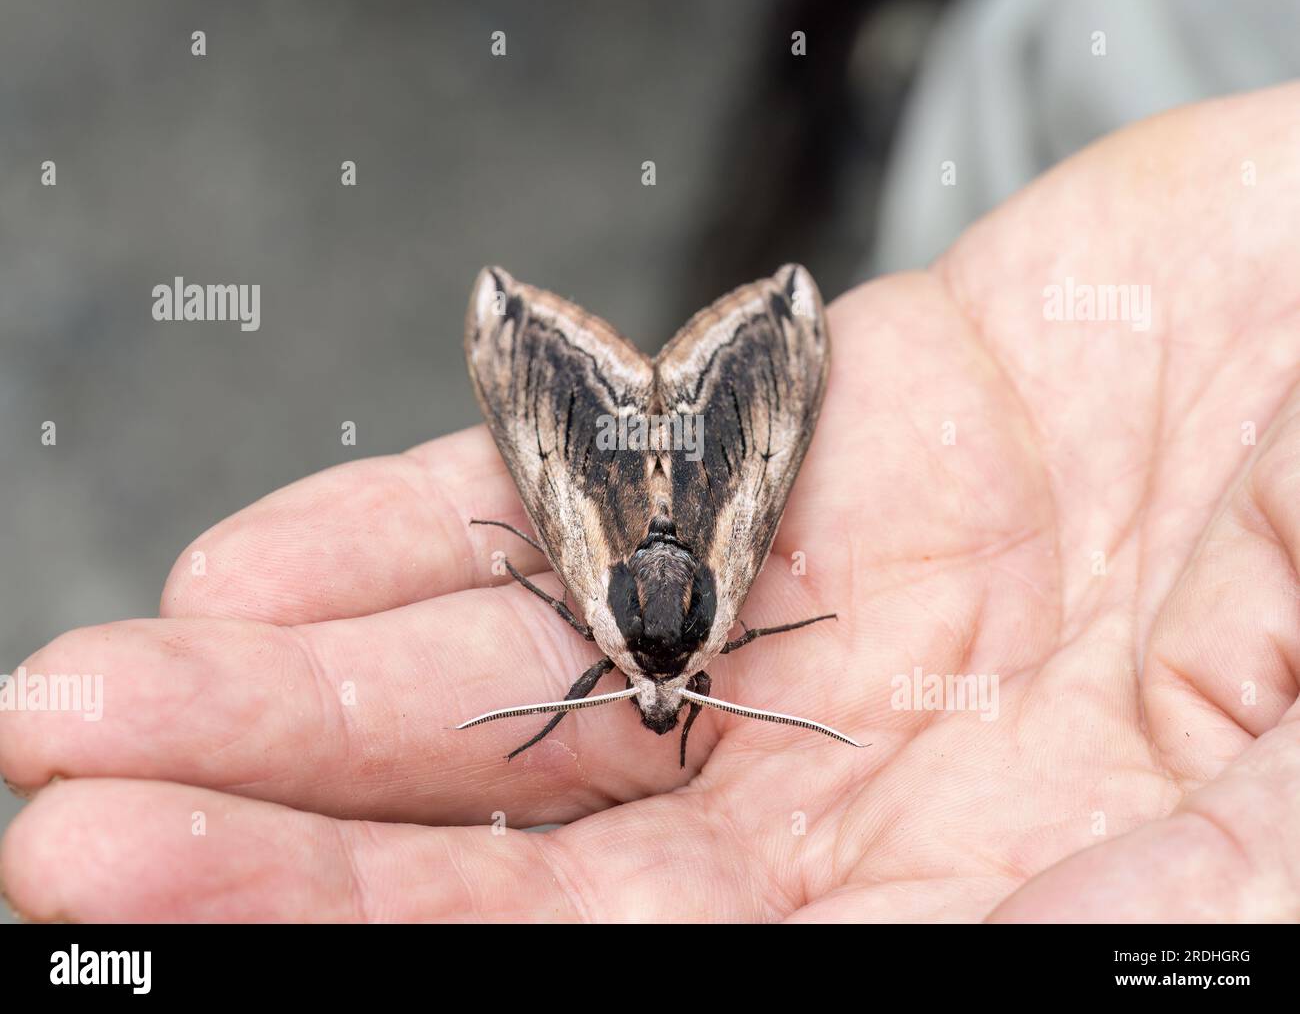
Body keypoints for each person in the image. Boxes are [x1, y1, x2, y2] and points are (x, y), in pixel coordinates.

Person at [2, 84, 1298, 923]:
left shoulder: (633, 611)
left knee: (580, 467)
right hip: (1147, 80)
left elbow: (616, 616)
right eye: (666, 692)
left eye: (659, 696)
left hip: (636, 488)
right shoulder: (695, 614)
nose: (662, 702)